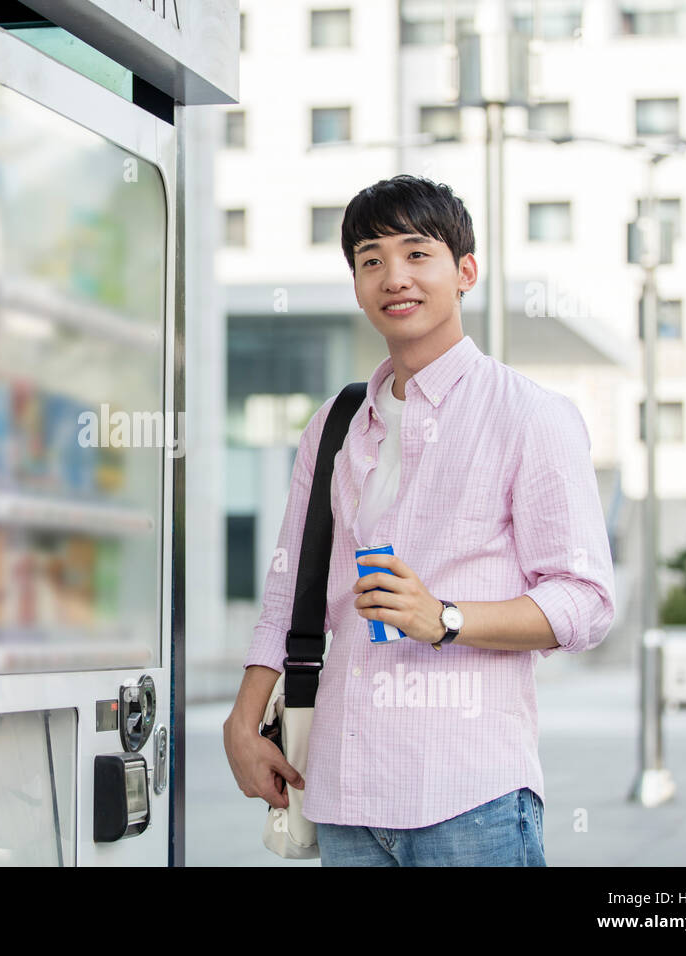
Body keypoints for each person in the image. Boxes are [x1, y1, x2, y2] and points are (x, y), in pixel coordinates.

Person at [222, 174, 616, 866]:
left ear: (464, 271)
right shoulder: (337, 422)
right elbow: (291, 587)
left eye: (416, 254)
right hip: (342, 794)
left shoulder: (531, 416)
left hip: (469, 796)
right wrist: (242, 718)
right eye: (371, 260)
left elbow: (586, 601)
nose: (393, 277)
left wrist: (447, 618)